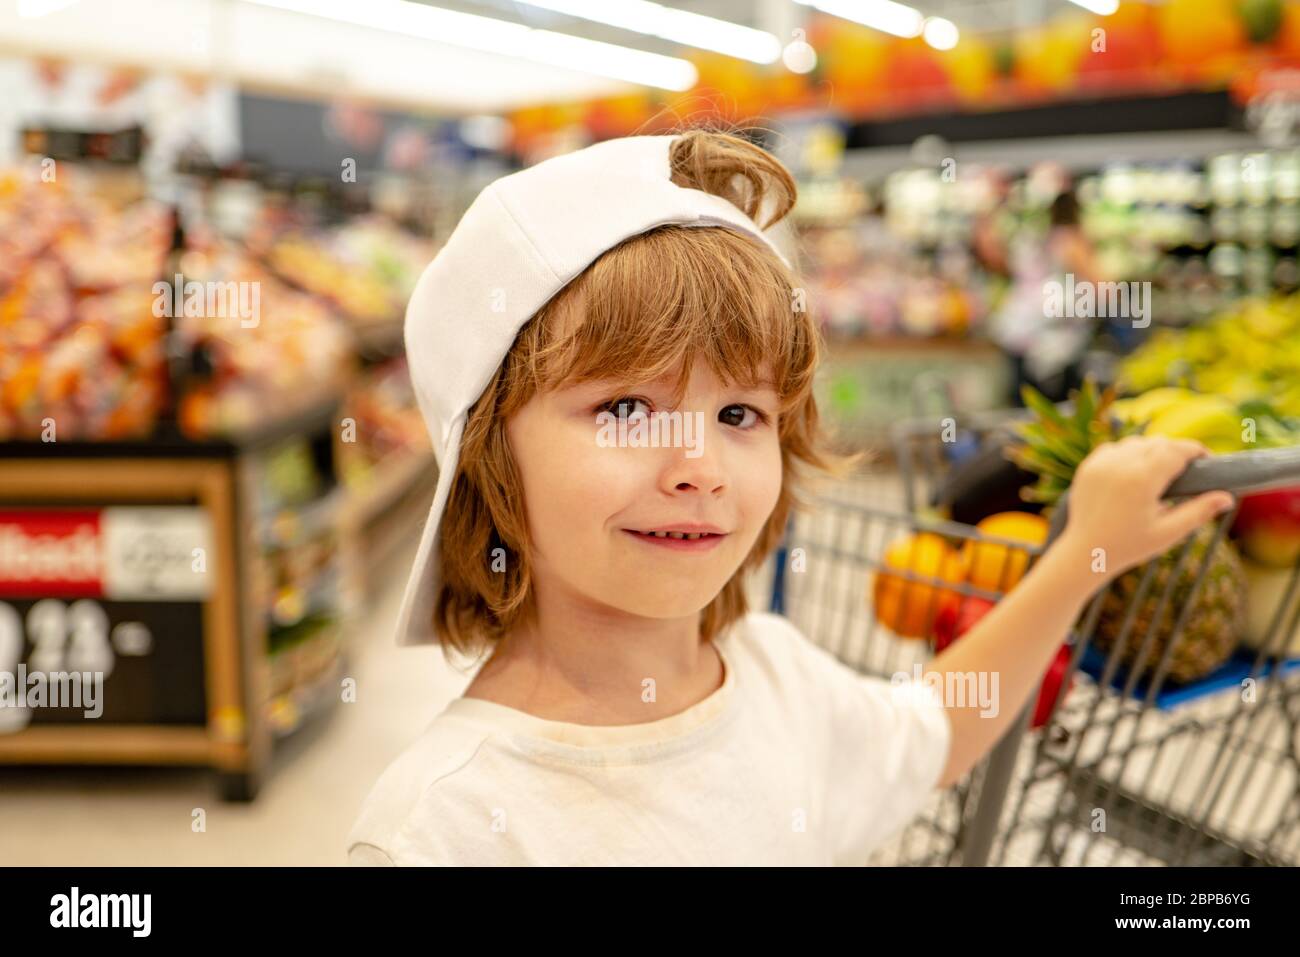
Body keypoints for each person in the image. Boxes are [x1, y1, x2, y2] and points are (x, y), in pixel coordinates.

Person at [347, 130, 1234, 866]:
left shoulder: (776, 675)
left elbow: (933, 727)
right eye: (625, 407)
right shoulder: (442, 829)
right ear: (489, 452)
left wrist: (1083, 555)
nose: (698, 464)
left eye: (740, 410)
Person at [990, 185, 1102, 405]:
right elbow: (1101, 285)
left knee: (1026, 401)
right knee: (1059, 404)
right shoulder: (1071, 241)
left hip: (1021, 332)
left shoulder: (1037, 241)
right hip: (1051, 339)